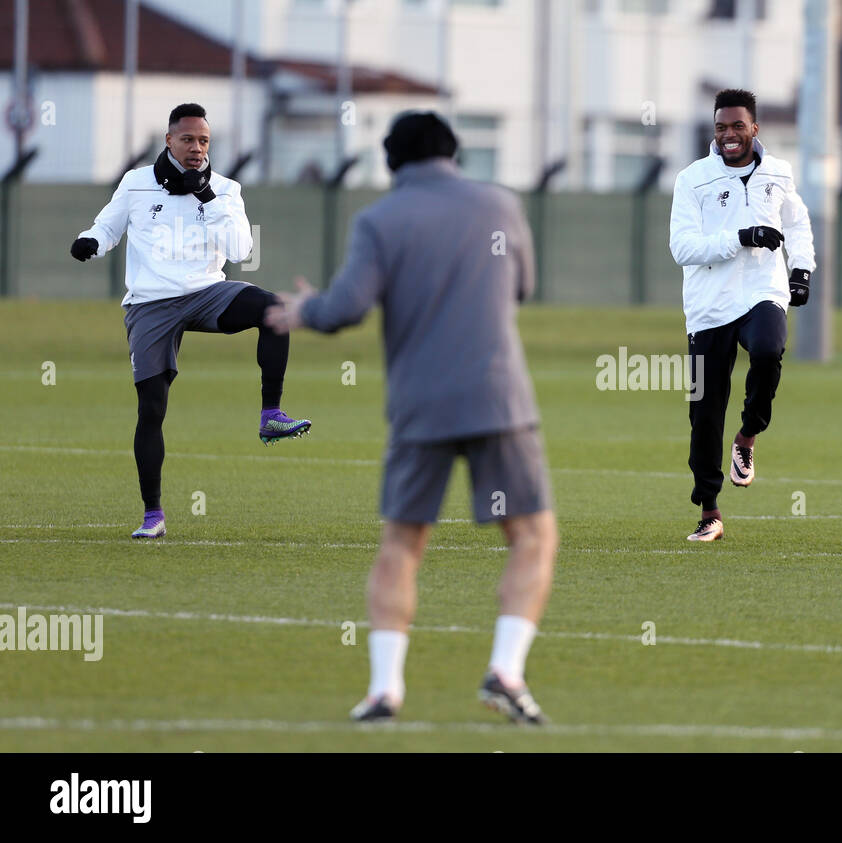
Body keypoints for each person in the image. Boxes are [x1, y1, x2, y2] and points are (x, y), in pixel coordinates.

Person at [265, 111, 558, 726]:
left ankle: (384, 690)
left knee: (402, 544)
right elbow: (523, 287)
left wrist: (305, 308)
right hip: (496, 397)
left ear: (393, 162)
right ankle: (506, 671)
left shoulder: (380, 219)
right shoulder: (501, 207)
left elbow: (345, 308)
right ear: (455, 155)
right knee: (530, 536)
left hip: (420, 404)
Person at [70, 103, 310, 540]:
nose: (197, 148)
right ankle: (153, 515)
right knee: (151, 409)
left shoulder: (225, 189)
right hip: (151, 302)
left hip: (206, 292)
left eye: (203, 140)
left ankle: (271, 413)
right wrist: (91, 242)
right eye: (187, 139)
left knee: (274, 309)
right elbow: (107, 226)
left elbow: (239, 251)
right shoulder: (136, 183)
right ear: (169, 140)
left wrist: (207, 196)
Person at [668, 88, 816, 543]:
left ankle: (748, 437)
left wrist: (802, 268)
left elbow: (797, 224)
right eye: (720, 127)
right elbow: (683, 248)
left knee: (770, 349)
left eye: (737, 126)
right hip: (709, 306)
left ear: (754, 128)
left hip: (762, 293)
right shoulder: (692, 180)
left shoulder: (779, 172)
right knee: (706, 414)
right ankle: (709, 512)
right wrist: (741, 236)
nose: (728, 135)